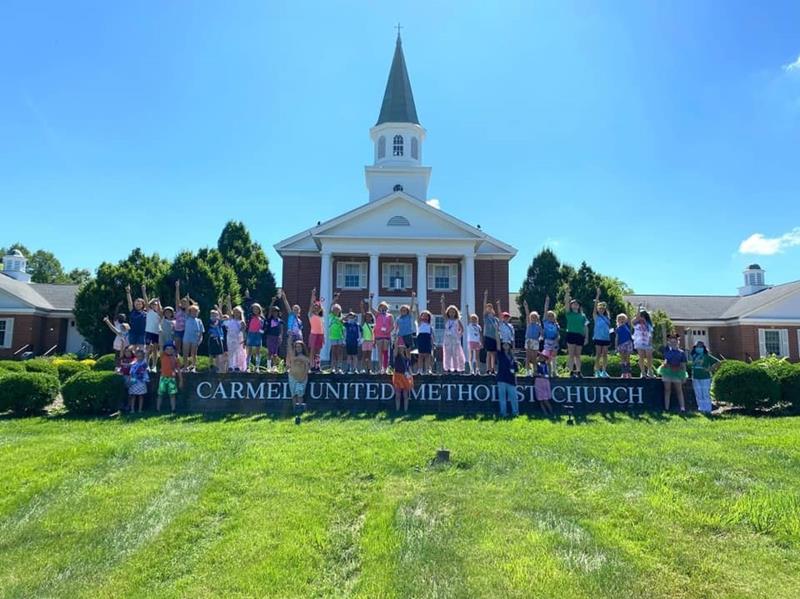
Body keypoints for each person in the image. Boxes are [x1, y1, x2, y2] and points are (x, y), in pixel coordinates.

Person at [658, 326, 688, 412]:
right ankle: (666, 408)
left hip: (677, 371)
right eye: (671, 342)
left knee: (679, 390)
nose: (673, 343)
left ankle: (682, 408)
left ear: (678, 342)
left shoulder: (681, 353)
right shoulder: (666, 350)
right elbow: (665, 359)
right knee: (667, 390)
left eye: (675, 342)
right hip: (667, 371)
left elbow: (683, 365)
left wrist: (684, 376)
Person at [688, 334, 719, 415]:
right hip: (695, 377)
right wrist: (689, 333)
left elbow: (718, 362)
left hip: (705, 377)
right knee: (698, 394)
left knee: (705, 393)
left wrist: (710, 369)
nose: (699, 348)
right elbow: (689, 344)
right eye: (697, 346)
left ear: (703, 348)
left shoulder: (707, 356)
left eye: (701, 346)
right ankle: (701, 409)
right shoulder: (693, 355)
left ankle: (708, 409)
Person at [563, 286, 588, 378]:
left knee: (578, 355)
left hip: (580, 336)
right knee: (571, 354)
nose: (575, 305)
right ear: (571, 305)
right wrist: (567, 293)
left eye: (577, 304)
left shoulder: (583, 315)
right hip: (571, 334)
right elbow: (566, 302)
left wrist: (586, 337)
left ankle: (578, 371)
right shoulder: (569, 313)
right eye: (573, 304)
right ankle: (570, 371)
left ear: (579, 306)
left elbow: (585, 327)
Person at [440, 295, 465, 374]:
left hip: (455, 339)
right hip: (447, 339)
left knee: (456, 354)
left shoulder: (457, 320)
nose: (452, 313)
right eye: (450, 312)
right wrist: (443, 302)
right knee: (447, 354)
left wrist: (459, 335)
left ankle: (456, 368)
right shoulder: (447, 320)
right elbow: (443, 312)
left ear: (456, 313)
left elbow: (462, 329)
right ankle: (447, 368)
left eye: (453, 312)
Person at [278, 289, 303, 366]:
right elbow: (286, 304)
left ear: (299, 311)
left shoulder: (299, 321)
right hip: (291, 335)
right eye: (294, 309)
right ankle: (288, 366)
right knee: (289, 350)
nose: (295, 310)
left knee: (298, 351)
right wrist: (284, 297)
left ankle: (296, 365)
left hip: (298, 336)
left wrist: (301, 338)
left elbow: (300, 329)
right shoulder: (291, 315)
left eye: (297, 309)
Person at [371, 295, 394, 374]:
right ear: (379, 308)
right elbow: (370, 308)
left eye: (385, 307)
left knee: (385, 352)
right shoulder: (377, 314)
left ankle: (386, 368)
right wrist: (371, 298)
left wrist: (388, 331)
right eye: (381, 307)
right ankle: (380, 368)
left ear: (387, 308)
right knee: (379, 352)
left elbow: (392, 326)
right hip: (378, 336)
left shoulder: (390, 316)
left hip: (386, 336)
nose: (383, 309)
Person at [496, 340, 519, 417]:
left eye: (507, 344)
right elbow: (498, 343)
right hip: (502, 379)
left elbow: (516, 370)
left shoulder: (513, 358)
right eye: (504, 344)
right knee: (502, 398)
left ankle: (515, 412)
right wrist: (497, 330)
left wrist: (513, 369)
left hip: (511, 380)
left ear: (510, 346)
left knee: (514, 398)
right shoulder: (500, 354)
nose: (505, 345)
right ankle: (503, 413)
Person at [157, 343, 182, 412]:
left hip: (172, 379)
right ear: (164, 350)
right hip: (163, 378)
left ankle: (173, 409)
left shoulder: (176, 359)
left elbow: (179, 370)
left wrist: (181, 380)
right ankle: (157, 409)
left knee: (172, 395)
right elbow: (161, 345)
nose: (169, 350)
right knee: (160, 394)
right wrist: (161, 334)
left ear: (174, 350)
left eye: (171, 349)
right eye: (167, 349)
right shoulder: (162, 356)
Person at [224, 296, 248, 372]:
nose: (236, 314)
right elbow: (229, 309)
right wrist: (228, 301)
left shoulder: (241, 322)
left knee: (238, 352)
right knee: (231, 352)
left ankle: (237, 366)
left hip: (238, 338)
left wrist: (244, 341)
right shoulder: (231, 319)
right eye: (235, 312)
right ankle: (231, 366)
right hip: (230, 337)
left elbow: (244, 332)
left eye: (238, 312)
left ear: (240, 313)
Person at [592, 288, 612, 377]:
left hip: (606, 338)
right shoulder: (596, 316)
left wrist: (605, 305)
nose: (601, 310)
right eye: (599, 309)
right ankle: (597, 371)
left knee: (605, 355)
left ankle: (604, 371)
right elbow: (595, 306)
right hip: (598, 338)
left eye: (602, 309)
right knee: (598, 354)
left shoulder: (607, 318)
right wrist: (597, 295)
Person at [142, 286, 162, 371]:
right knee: (147, 348)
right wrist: (144, 291)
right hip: (148, 332)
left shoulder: (160, 313)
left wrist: (158, 302)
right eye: (153, 304)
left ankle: (154, 366)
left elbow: (161, 312)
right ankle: (146, 365)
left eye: (156, 304)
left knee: (155, 349)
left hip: (156, 332)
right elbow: (146, 301)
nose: (154, 305)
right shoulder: (149, 311)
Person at [287, 340, 310, 407]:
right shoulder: (292, 356)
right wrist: (290, 337)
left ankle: (299, 409)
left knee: (300, 395)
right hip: (292, 377)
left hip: (302, 378)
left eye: (299, 347)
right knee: (293, 395)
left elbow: (307, 368)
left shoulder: (305, 358)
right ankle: (294, 409)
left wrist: (303, 377)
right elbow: (289, 347)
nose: (298, 348)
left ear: (302, 348)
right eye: (296, 347)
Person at [632, 308, 655, 378]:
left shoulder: (649, 324)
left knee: (649, 356)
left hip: (647, 342)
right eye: (640, 315)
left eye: (643, 315)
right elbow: (635, 319)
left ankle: (650, 371)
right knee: (641, 356)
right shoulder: (636, 323)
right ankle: (642, 372)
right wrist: (638, 308)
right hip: (639, 341)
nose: (641, 317)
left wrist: (650, 343)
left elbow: (650, 334)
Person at [522, 299, 542, 376]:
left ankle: (535, 371)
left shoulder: (539, 325)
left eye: (535, 317)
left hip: (535, 341)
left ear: (537, 318)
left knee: (534, 357)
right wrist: (526, 306)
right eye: (532, 317)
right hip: (529, 340)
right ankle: (527, 371)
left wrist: (540, 338)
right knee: (528, 356)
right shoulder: (529, 323)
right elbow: (527, 314)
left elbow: (541, 334)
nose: (533, 318)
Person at [482, 290, 500, 374]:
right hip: (488, 336)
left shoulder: (495, 319)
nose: (489, 309)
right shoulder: (486, 317)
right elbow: (483, 307)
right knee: (488, 353)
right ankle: (487, 369)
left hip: (494, 337)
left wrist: (498, 305)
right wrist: (485, 296)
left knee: (494, 354)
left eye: (491, 307)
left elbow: (500, 317)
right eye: (488, 307)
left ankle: (493, 369)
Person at [125, 284, 147, 352]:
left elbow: (146, 301)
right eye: (136, 304)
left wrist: (143, 291)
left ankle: (141, 362)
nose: (138, 305)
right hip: (132, 333)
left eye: (139, 304)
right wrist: (128, 292)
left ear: (143, 305)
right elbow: (129, 302)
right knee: (132, 350)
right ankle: (134, 362)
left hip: (142, 333)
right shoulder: (132, 311)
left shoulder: (145, 313)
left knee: (141, 349)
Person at [182, 304, 204, 372]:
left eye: (196, 311)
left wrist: (199, 339)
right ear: (190, 312)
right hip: (187, 338)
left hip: (195, 338)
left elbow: (201, 332)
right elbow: (186, 309)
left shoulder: (199, 321)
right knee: (185, 353)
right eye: (193, 311)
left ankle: (193, 366)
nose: (194, 313)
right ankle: (185, 367)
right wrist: (189, 300)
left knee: (194, 353)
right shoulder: (187, 318)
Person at [541, 295, 559, 377]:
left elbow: (558, 334)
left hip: (554, 341)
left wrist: (556, 341)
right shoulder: (545, 322)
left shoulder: (556, 325)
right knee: (547, 357)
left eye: (552, 316)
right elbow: (545, 311)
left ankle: (555, 372)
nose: (550, 317)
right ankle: (549, 372)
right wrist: (547, 302)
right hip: (547, 341)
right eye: (549, 316)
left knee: (554, 357)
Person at [392, 343, 414, 412]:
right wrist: (396, 340)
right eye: (400, 348)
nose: (401, 349)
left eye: (402, 347)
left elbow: (409, 369)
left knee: (405, 395)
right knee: (398, 394)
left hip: (405, 377)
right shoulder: (396, 356)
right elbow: (395, 349)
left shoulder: (407, 359)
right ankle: (397, 410)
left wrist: (411, 378)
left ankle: (405, 410)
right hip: (398, 375)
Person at [308, 288, 325, 372]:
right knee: (312, 351)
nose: (316, 307)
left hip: (320, 335)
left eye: (317, 306)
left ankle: (317, 366)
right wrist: (313, 294)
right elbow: (311, 304)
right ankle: (311, 366)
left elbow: (322, 327)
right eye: (315, 307)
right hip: (313, 334)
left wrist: (324, 337)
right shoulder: (310, 315)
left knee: (318, 351)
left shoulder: (321, 317)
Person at [327, 294, 345, 374]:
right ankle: (333, 367)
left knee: (340, 352)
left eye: (337, 310)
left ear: (339, 311)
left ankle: (339, 367)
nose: (336, 311)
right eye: (335, 309)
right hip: (333, 336)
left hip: (340, 336)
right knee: (334, 352)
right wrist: (335, 299)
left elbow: (343, 327)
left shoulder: (341, 318)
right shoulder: (331, 315)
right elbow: (330, 306)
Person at [264, 302, 284, 372]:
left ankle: (274, 366)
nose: (275, 313)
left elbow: (281, 329)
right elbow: (269, 310)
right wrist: (272, 302)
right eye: (273, 311)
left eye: (276, 312)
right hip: (270, 336)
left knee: (275, 353)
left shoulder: (280, 321)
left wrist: (280, 336)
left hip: (276, 337)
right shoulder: (270, 319)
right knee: (269, 352)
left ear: (278, 312)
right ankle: (268, 367)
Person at [128, 348, 150, 413]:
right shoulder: (133, 363)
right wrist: (131, 380)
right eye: (138, 356)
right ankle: (132, 409)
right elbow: (131, 372)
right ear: (136, 356)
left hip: (141, 381)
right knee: (133, 396)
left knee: (141, 396)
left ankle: (140, 410)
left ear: (143, 356)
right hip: (134, 381)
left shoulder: (144, 363)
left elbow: (146, 370)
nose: (139, 357)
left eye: (141, 356)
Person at [173, 280, 191, 357]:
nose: (183, 303)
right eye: (182, 302)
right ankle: (176, 357)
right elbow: (177, 298)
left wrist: (188, 299)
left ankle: (185, 358)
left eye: (185, 302)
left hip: (185, 330)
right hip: (177, 330)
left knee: (185, 346)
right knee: (177, 345)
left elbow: (194, 305)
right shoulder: (178, 309)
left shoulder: (187, 311)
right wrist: (177, 288)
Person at [245, 303, 265, 372]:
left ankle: (257, 367)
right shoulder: (250, 316)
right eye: (254, 309)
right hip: (250, 334)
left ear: (259, 310)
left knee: (258, 352)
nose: (255, 310)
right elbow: (247, 325)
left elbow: (264, 327)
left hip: (258, 334)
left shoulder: (262, 318)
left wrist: (262, 331)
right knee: (249, 351)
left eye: (257, 309)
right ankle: (247, 367)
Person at [207, 308, 227, 373]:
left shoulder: (219, 322)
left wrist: (218, 309)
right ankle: (211, 366)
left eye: (215, 315)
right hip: (212, 339)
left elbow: (221, 317)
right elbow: (208, 330)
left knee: (218, 354)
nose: (214, 316)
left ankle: (217, 367)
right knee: (211, 354)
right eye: (212, 315)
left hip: (218, 339)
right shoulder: (209, 321)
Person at [415, 308, 434, 375]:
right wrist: (417, 307)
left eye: (427, 316)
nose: (425, 317)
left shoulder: (430, 325)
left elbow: (431, 335)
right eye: (423, 315)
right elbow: (417, 316)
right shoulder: (419, 323)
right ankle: (419, 369)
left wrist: (432, 343)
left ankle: (428, 369)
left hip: (427, 338)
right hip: (421, 338)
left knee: (428, 355)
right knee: (420, 355)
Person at [615, 314, 634, 378]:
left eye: (623, 318)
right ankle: (623, 373)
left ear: (625, 320)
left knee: (628, 359)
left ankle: (628, 373)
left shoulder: (627, 325)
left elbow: (629, 318)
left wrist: (628, 307)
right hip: (621, 344)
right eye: (620, 319)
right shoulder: (617, 328)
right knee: (622, 359)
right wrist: (616, 346)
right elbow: (616, 338)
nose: (622, 320)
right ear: (618, 321)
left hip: (628, 343)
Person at [360, 300, 375, 374]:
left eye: (369, 317)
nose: (367, 318)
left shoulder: (373, 325)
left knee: (369, 356)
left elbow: (374, 334)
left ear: (371, 318)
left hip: (371, 341)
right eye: (366, 317)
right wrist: (362, 306)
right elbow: (363, 314)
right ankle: (362, 369)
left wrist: (374, 342)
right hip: (365, 341)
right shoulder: (364, 324)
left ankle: (369, 369)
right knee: (364, 356)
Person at [466, 311, 482, 375]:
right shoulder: (469, 325)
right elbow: (467, 317)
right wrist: (467, 309)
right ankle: (471, 370)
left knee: (477, 357)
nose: (473, 320)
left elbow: (480, 335)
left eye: (475, 319)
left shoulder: (479, 327)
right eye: (472, 319)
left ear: (477, 320)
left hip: (477, 342)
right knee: (471, 356)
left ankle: (477, 370)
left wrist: (481, 342)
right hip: (471, 341)